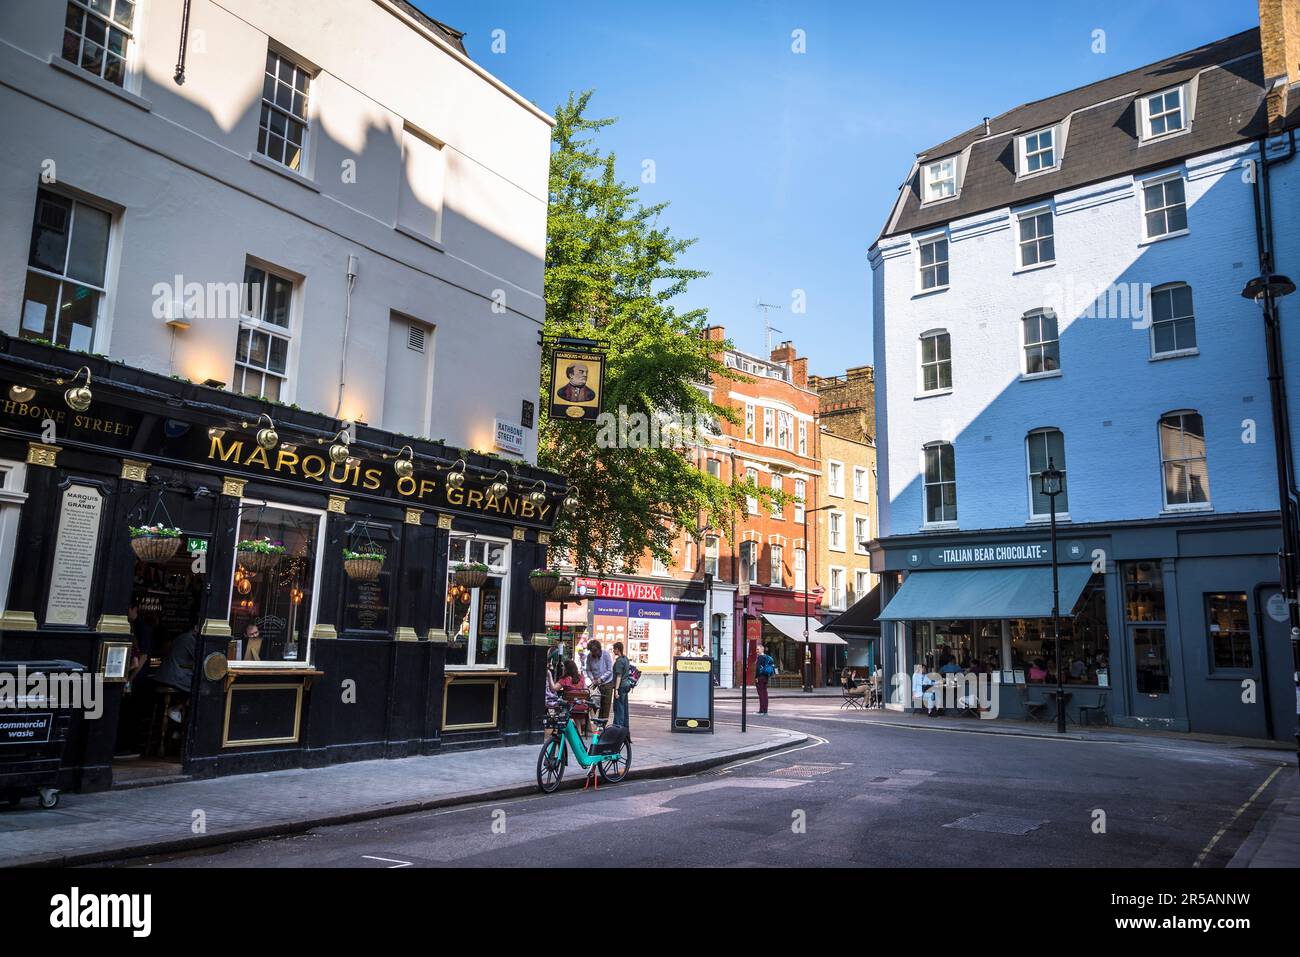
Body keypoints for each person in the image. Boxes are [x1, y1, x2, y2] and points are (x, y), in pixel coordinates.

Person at [153, 620, 198, 724]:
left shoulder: (183, 637)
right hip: (173, 677)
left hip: (164, 675)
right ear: (195, 627)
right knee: (200, 688)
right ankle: (176, 709)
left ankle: (178, 729)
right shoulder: (189, 638)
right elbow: (199, 659)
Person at [548, 658, 590, 736]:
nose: (563, 668)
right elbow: (586, 691)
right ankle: (579, 731)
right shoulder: (581, 678)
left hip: (570, 707)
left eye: (564, 667)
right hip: (582, 707)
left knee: (561, 705)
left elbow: (553, 689)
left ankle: (560, 730)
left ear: (567, 669)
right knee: (574, 704)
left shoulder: (565, 679)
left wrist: (549, 675)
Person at [584, 639, 615, 722]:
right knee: (593, 703)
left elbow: (610, 670)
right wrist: (592, 679)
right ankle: (591, 723)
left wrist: (601, 679)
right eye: (591, 651)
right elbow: (588, 669)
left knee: (605, 705)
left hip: (607, 682)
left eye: (594, 651)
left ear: (599, 649)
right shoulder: (589, 656)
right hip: (595, 683)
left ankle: (602, 725)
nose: (593, 653)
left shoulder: (606, 655)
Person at [611, 641, 631, 734]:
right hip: (626, 684)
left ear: (617, 649)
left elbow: (619, 676)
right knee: (624, 708)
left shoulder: (619, 661)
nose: (613, 650)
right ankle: (625, 731)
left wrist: (616, 690)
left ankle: (618, 731)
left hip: (621, 686)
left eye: (614, 649)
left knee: (619, 709)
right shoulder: (626, 659)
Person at [754, 643, 775, 715]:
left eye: (758, 649)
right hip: (766, 677)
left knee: (761, 694)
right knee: (765, 694)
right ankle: (765, 710)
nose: (756, 651)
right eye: (756, 649)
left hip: (760, 677)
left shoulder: (760, 657)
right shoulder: (767, 657)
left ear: (762, 649)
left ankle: (761, 711)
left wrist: (756, 677)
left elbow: (757, 668)